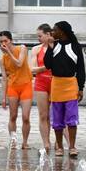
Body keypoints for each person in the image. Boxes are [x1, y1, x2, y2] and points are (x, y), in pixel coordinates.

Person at [47, 20, 86, 158]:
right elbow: (47, 65)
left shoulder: (75, 46)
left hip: (70, 84)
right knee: (57, 118)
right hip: (56, 84)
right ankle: (59, 147)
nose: (52, 31)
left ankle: (72, 146)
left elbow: (80, 69)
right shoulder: (54, 45)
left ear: (62, 31)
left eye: (55, 29)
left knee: (71, 118)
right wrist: (50, 47)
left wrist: (81, 88)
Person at [0, 30, 34, 149]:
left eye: (6, 41)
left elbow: (19, 63)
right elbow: (4, 78)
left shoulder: (22, 48)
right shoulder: (2, 59)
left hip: (25, 85)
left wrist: (9, 52)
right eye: (1, 41)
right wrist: (3, 97)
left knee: (25, 116)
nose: (4, 43)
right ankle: (13, 141)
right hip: (13, 87)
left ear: (11, 41)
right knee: (13, 116)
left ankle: (25, 142)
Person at [30, 23, 54, 152]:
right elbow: (32, 69)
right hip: (41, 82)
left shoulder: (56, 47)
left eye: (40, 36)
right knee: (43, 115)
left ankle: (63, 143)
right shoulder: (36, 49)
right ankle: (46, 143)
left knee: (57, 115)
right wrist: (45, 68)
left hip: (55, 82)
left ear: (48, 34)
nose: (38, 38)